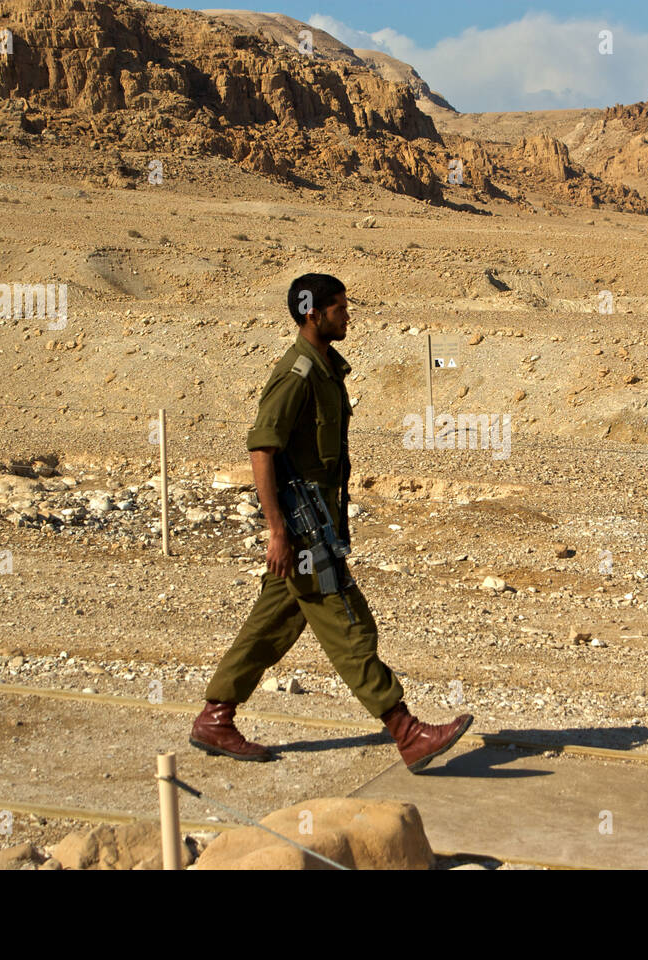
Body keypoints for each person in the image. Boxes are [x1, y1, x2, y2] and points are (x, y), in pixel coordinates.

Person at [190, 273, 473, 773]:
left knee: (270, 624)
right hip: (302, 531)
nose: (348, 315)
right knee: (348, 623)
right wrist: (277, 531)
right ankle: (407, 732)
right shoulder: (297, 372)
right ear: (312, 313)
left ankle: (215, 717)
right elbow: (261, 448)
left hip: (318, 522)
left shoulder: (324, 368)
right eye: (340, 307)